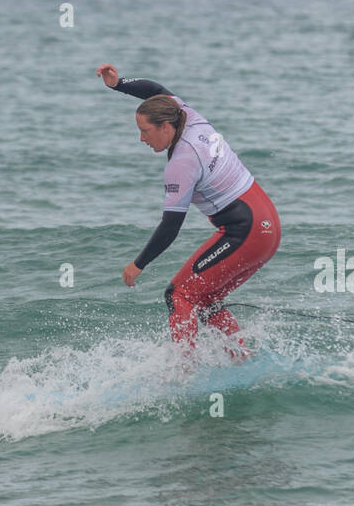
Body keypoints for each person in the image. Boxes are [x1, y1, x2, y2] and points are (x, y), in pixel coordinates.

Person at [96, 64, 280, 359]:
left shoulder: (182, 162)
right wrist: (118, 84)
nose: (142, 139)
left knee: (178, 294)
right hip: (266, 226)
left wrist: (138, 264)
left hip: (247, 232)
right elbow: (155, 90)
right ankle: (242, 360)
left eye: (145, 132)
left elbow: (170, 226)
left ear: (165, 128)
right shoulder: (188, 116)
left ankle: (181, 371)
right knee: (205, 299)